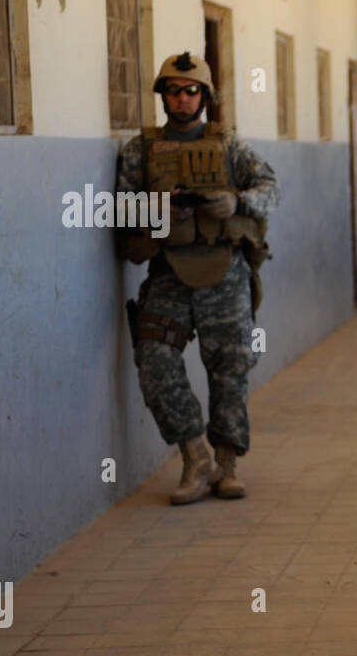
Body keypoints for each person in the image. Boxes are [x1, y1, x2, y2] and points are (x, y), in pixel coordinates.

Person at [116, 52, 280, 504]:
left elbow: (271, 189)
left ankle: (226, 464)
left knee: (230, 370)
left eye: (192, 91)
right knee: (154, 362)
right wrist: (156, 207)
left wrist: (235, 202)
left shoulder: (230, 146)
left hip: (224, 271)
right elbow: (119, 211)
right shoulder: (139, 151)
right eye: (174, 91)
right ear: (163, 97)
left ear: (205, 97)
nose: (183, 99)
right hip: (168, 272)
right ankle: (194, 457)